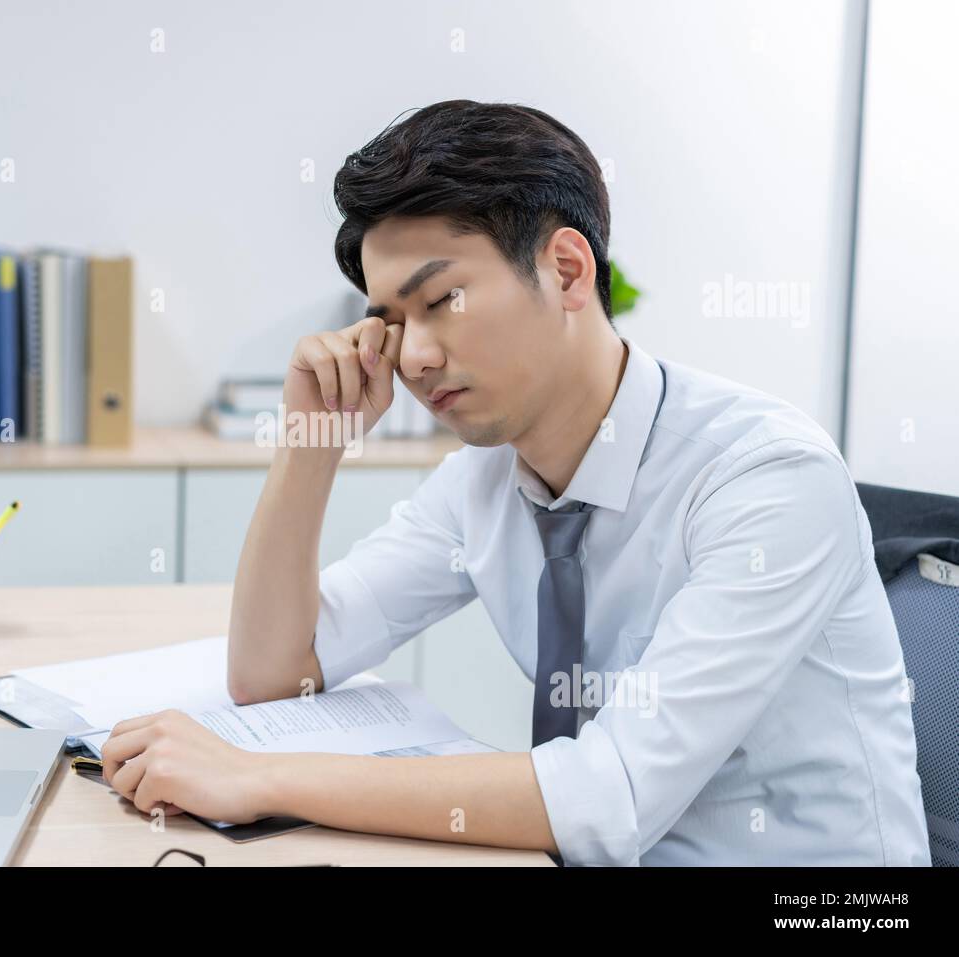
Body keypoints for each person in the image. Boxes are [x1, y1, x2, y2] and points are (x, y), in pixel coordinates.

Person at [100, 100, 930, 865]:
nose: (413, 355)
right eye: (389, 321)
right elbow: (277, 673)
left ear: (568, 271)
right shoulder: (486, 479)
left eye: (442, 300)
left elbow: (609, 792)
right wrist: (312, 441)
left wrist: (259, 775)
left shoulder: (766, 477)